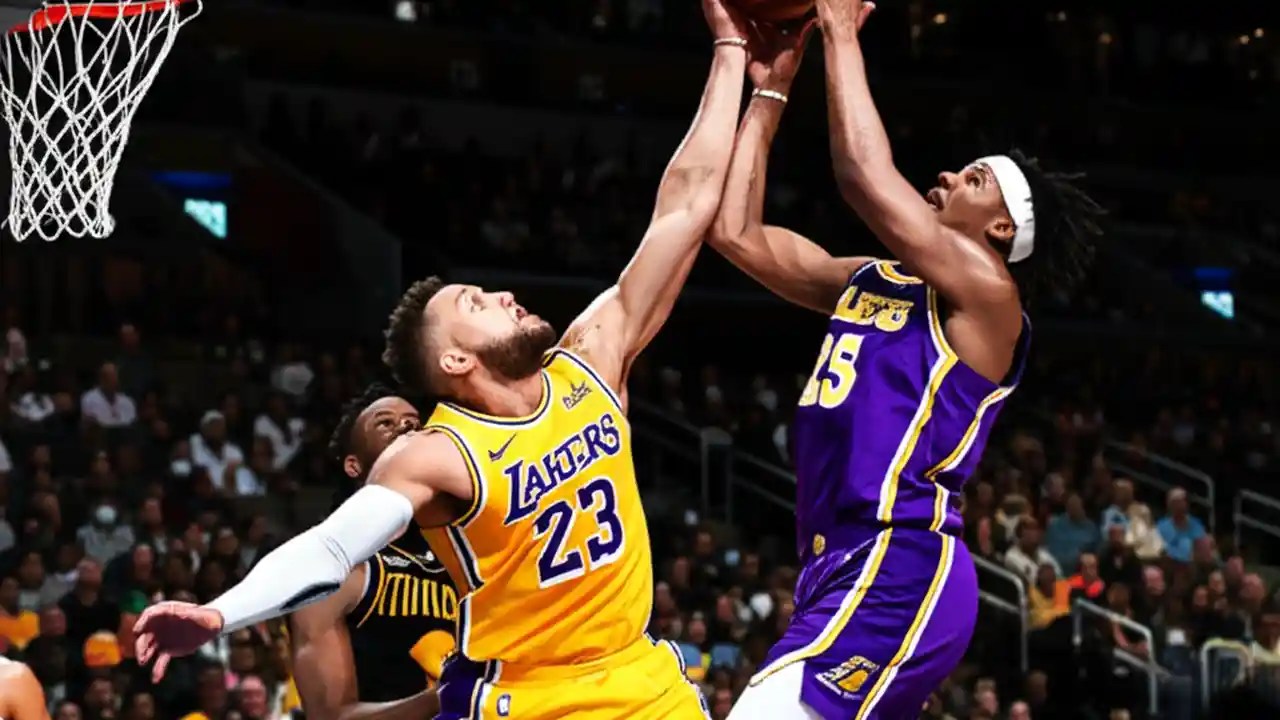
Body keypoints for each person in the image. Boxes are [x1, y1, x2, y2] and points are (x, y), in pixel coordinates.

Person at [134, 2, 752, 717]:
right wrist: (220, 613)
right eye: (476, 302)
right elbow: (330, 549)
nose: (504, 295)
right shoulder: (438, 454)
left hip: (640, 679)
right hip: (530, 698)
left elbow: (684, 206)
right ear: (456, 360)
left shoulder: (591, 360)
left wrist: (733, 52)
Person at [708, 0, 1103, 716]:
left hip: (900, 560)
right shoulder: (872, 280)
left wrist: (839, 29)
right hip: (830, 566)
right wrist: (772, 89)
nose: (948, 175)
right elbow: (736, 233)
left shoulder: (991, 298)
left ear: (1003, 228)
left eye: (974, 180)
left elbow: (863, 176)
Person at [287, 384, 458, 720]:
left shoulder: (465, 545)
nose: (406, 427)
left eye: (414, 422)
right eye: (385, 423)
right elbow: (330, 716)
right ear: (354, 466)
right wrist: (444, 698)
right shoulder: (330, 568)